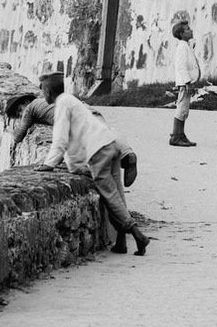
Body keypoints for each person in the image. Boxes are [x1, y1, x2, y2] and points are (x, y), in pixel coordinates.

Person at [35, 73, 150, 256]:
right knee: (118, 193)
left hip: (98, 151)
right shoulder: (72, 100)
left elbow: (61, 139)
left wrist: (49, 164)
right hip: (110, 143)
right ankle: (121, 242)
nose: (43, 96)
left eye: (43, 92)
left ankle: (138, 234)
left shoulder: (62, 105)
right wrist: (75, 166)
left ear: (48, 91)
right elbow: (75, 139)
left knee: (110, 196)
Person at [4, 92, 137, 187]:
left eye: (18, 111)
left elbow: (18, 136)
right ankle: (127, 154)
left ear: (25, 102)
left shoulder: (30, 108)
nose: (21, 115)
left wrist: (12, 131)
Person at [169, 18, 202, 147]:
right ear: (182, 34)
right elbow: (181, 66)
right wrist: (188, 82)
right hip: (184, 83)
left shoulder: (186, 46)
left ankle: (180, 134)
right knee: (182, 109)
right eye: (188, 29)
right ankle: (176, 136)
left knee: (184, 110)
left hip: (187, 83)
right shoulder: (182, 47)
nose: (191, 30)